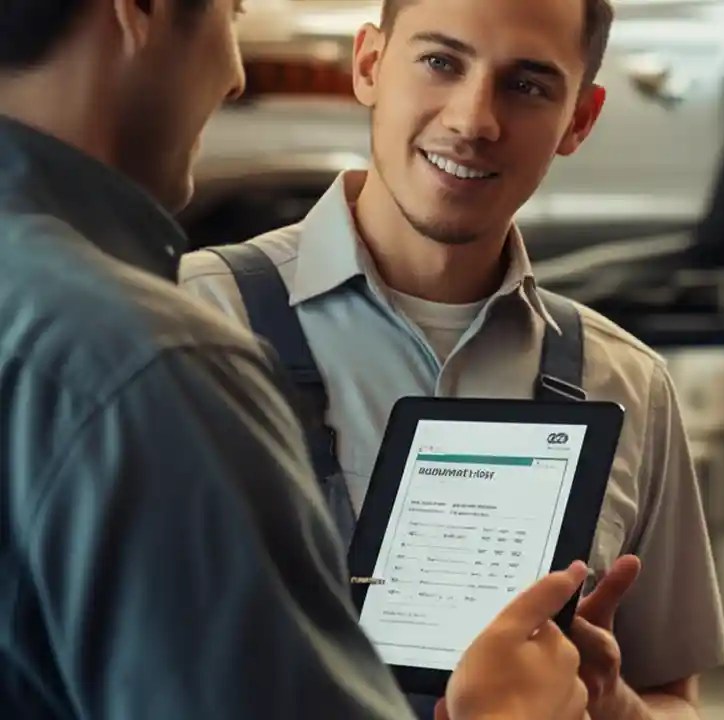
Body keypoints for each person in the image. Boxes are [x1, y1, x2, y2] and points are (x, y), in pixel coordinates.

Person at [0, 1, 596, 718]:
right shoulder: (154, 364)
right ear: (140, 11)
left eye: (527, 84)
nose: (234, 72)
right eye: (232, 11)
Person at [178, 0, 724, 717]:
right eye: (441, 62)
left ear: (580, 119)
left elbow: (672, 699)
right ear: (370, 64)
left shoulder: (627, 386)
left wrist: (610, 703)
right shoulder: (188, 323)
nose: (474, 121)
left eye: (527, 85)